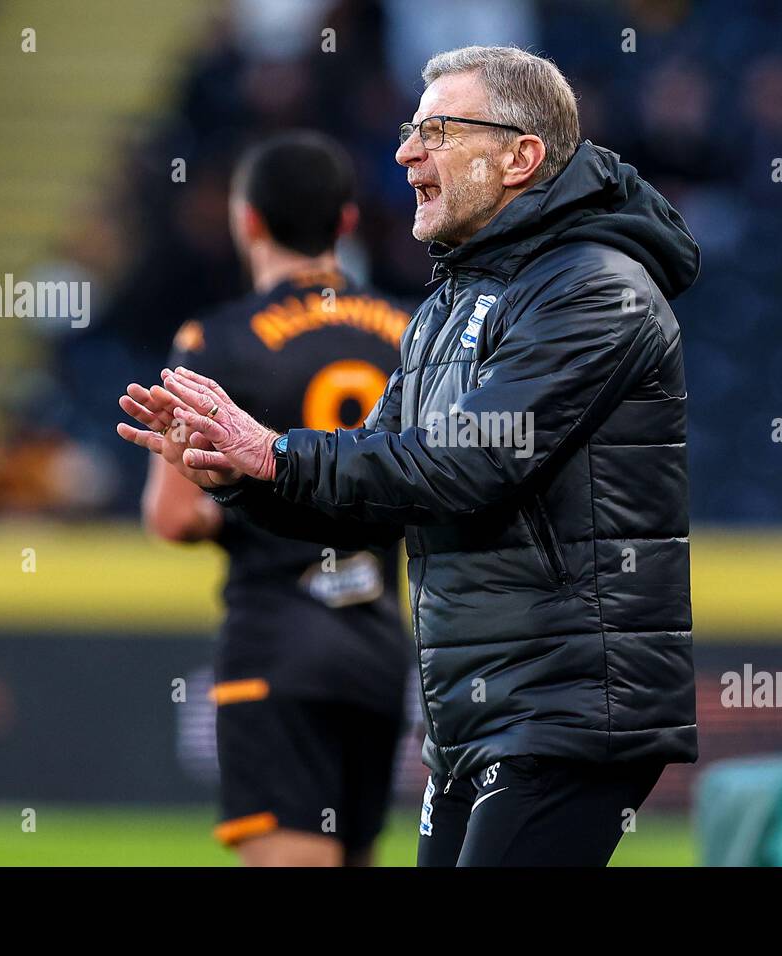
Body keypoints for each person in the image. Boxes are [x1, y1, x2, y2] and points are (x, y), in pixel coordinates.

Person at [119, 45, 700, 866]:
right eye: (408, 129)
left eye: (437, 130)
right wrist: (243, 476)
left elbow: (464, 463)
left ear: (520, 157)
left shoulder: (594, 288)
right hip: (472, 709)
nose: (404, 154)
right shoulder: (444, 304)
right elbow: (381, 475)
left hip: (568, 702)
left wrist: (276, 451)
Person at [129, 132, 411, 866]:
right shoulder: (413, 335)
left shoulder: (217, 343)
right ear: (347, 223)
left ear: (246, 219)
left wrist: (236, 503)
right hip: (380, 647)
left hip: (278, 642)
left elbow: (174, 517)